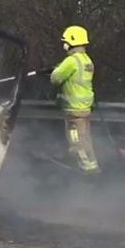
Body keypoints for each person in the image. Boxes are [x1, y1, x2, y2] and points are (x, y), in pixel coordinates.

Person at [49, 25, 98, 174]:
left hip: (74, 110)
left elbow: (55, 79)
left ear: (72, 41)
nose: (64, 44)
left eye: (65, 41)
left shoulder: (71, 61)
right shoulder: (86, 60)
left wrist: (56, 69)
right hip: (84, 108)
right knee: (85, 139)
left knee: (76, 142)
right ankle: (92, 167)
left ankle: (86, 170)